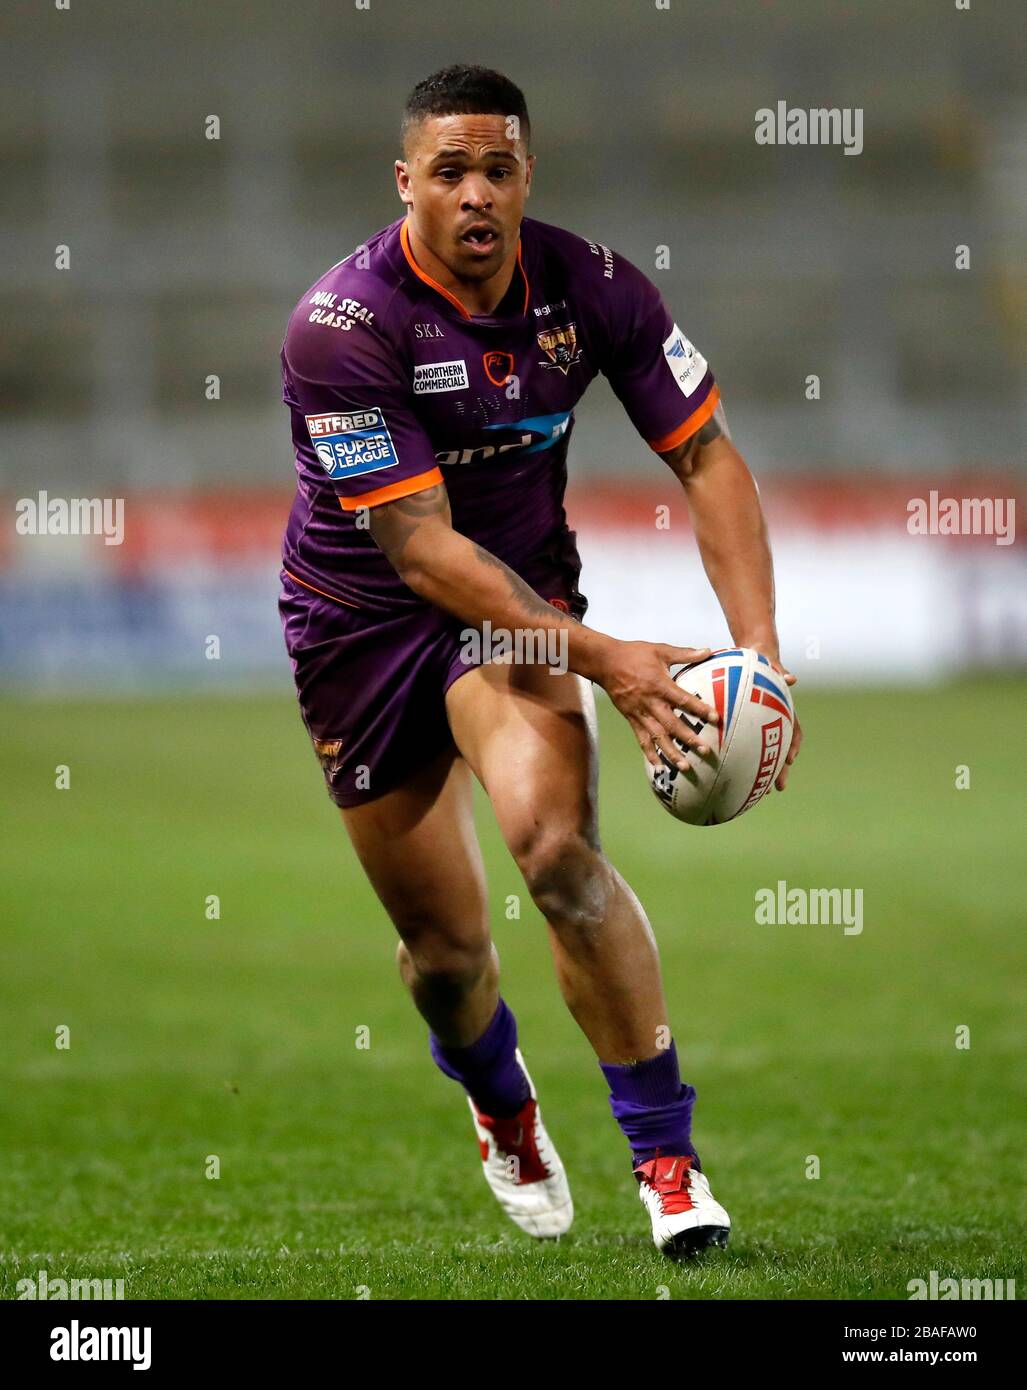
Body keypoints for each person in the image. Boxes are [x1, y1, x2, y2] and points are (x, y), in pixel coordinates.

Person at [278, 64, 800, 1256]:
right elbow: (417, 549)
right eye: (449, 170)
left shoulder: (595, 287)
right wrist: (612, 658)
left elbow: (708, 457)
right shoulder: (340, 327)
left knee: (560, 856)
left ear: (527, 178)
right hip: (363, 625)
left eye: (498, 169)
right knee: (447, 955)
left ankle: (668, 1162)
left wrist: (759, 661)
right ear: (405, 180)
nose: (476, 193)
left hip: (512, 621)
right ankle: (501, 1100)